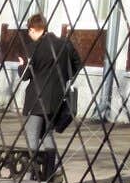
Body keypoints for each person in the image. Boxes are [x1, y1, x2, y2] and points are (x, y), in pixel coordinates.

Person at [18, 13, 82, 166]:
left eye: (29, 31)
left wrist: (21, 66)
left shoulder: (32, 48)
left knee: (32, 135)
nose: (29, 34)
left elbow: (25, 76)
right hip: (57, 100)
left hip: (37, 100)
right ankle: (54, 170)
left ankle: (30, 173)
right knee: (46, 134)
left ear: (33, 29)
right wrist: (65, 78)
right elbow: (77, 64)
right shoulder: (65, 45)